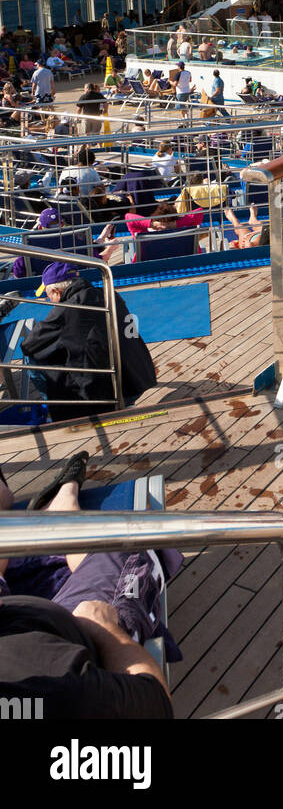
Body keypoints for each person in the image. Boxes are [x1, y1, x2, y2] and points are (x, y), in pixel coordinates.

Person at [0, 455, 175, 718]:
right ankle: (63, 510)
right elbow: (155, 702)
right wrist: (107, 630)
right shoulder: (51, 689)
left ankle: (34, 508)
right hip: (71, 626)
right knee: (118, 548)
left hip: (21, 625)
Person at [19, 261, 157, 420]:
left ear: (57, 291)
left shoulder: (66, 310)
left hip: (102, 394)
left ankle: (57, 407)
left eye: (48, 296)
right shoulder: (109, 294)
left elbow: (29, 345)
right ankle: (126, 402)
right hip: (136, 382)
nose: (49, 300)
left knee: (31, 360)